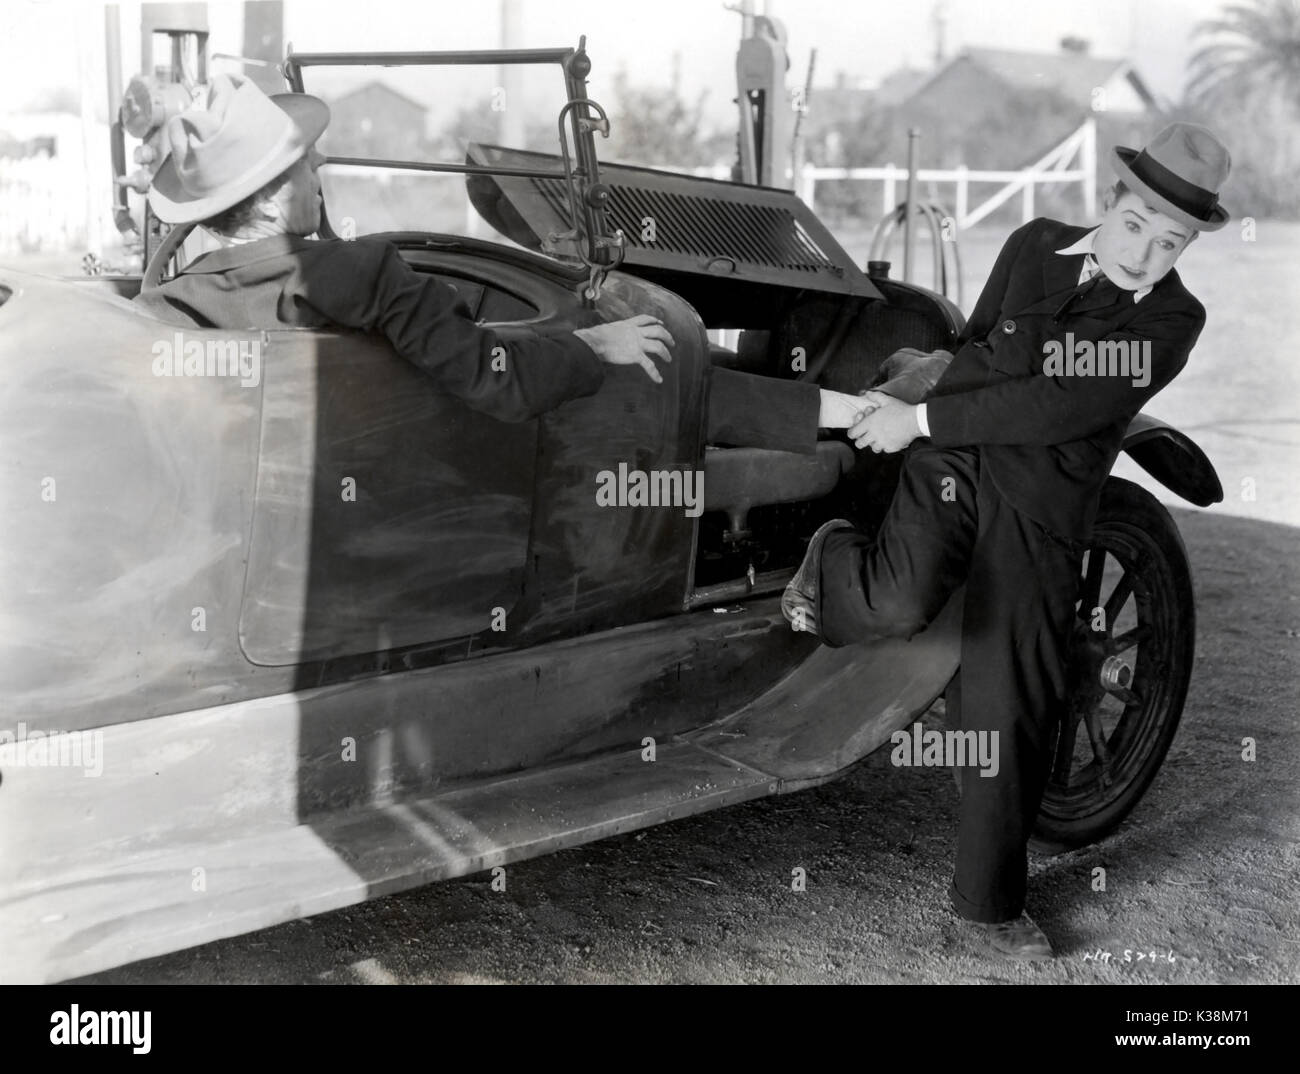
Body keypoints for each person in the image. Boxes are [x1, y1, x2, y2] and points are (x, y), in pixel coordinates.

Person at [782, 122, 1231, 960]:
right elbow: (973, 346)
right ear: (1112, 202)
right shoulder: (1033, 246)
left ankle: (986, 914)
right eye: (1136, 226)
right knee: (895, 601)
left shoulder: (1175, 318)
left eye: (1170, 243)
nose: (1144, 254)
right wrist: (910, 409)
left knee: (1010, 701)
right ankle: (829, 559)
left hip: (1041, 507)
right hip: (951, 464)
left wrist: (920, 414)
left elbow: (1058, 405)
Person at [135, 75, 870, 440]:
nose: (318, 169)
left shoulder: (171, 304)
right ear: (269, 196)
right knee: (657, 369)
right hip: (425, 475)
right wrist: (592, 345)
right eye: (304, 166)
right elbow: (499, 382)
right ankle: (851, 413)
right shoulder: (364, 275)